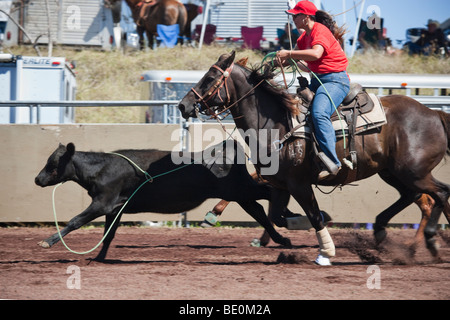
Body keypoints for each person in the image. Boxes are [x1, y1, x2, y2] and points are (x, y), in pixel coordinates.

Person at [276, 0, 350, 181]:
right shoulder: (303, 39)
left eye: (296, 15)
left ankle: (333, 162)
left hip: (336, 81)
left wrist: (289, 54)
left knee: (319, 114)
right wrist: (280, 60)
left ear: (306, 17)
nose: (293, 18)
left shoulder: (319, 31)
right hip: (318, 81)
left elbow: (316, 54)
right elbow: (303, 63)